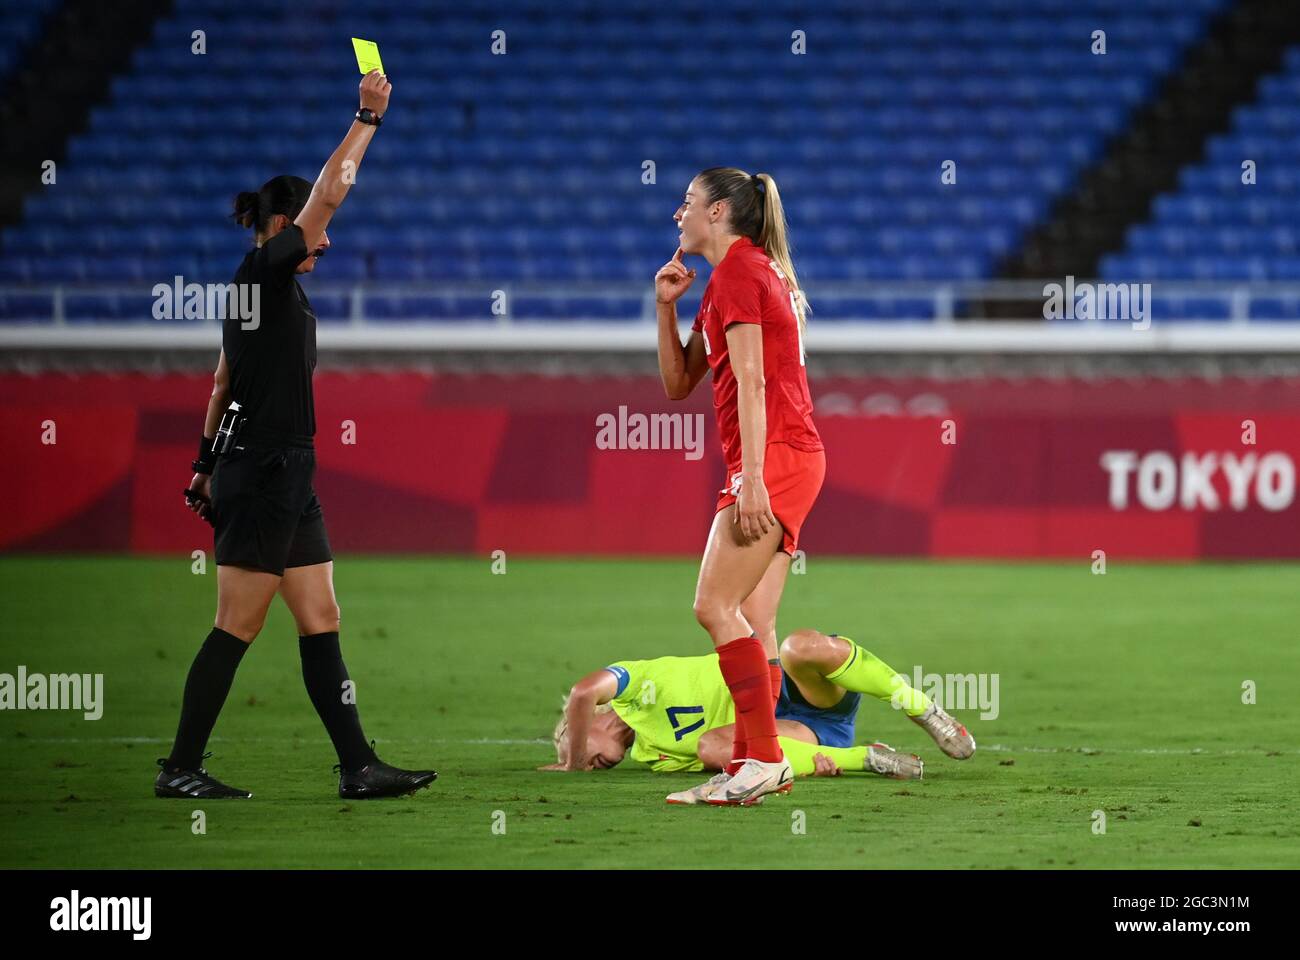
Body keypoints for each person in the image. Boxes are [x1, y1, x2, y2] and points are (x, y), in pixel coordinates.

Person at [155, 69, 436, 800]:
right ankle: (179, 768)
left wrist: (202, 466)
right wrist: (367, 119)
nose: (327, 240)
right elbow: (332, 194)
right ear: (284, 227)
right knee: (236, 624)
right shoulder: (266, 274)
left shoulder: (260, 290)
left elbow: (222, 382)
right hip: (266, 469)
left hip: (281, 470)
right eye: (314, 230)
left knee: (321, 616)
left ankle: (358, 767)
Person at [654, 167, 825, 805]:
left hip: (773, 459)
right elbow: (679, 384)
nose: (679, 214)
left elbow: (752, 382)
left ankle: (765, 760)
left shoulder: (738, 276)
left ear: (719, 211)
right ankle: (752, 762)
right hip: (790, 455)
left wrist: (751, 481)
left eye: (688, 202)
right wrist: (665, 307)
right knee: (755, 617)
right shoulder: (739, 276)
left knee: (713, 607)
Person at [543, 629, 975, 806]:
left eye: (573, 745)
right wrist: (810, 764)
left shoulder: (632, 685)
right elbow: (730, 762)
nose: (589, 763)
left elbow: (582, 693)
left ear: (582, 723)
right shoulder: (651, 756)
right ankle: (867, 758)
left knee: (798, 646)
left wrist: (571, 764)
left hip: (786, 686)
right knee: (712, 747)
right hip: (803, 731)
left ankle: (922, 708)